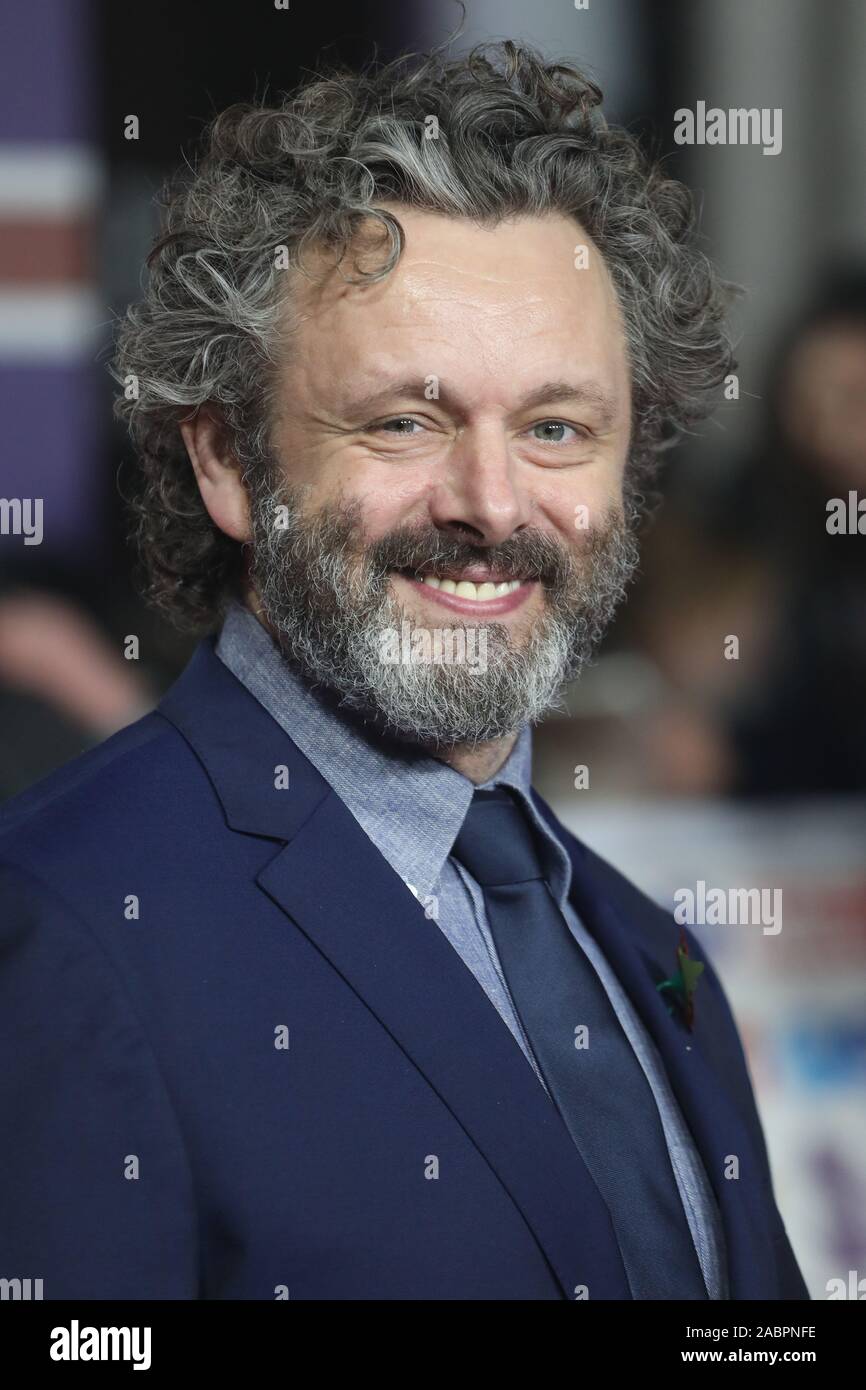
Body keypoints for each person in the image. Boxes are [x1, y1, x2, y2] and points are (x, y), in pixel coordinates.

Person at [0, 40, 808, 1300]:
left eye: (555, 427)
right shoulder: (62, 928)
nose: (491, 505)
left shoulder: (656, 959)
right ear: (224, 460)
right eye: (403, 421)